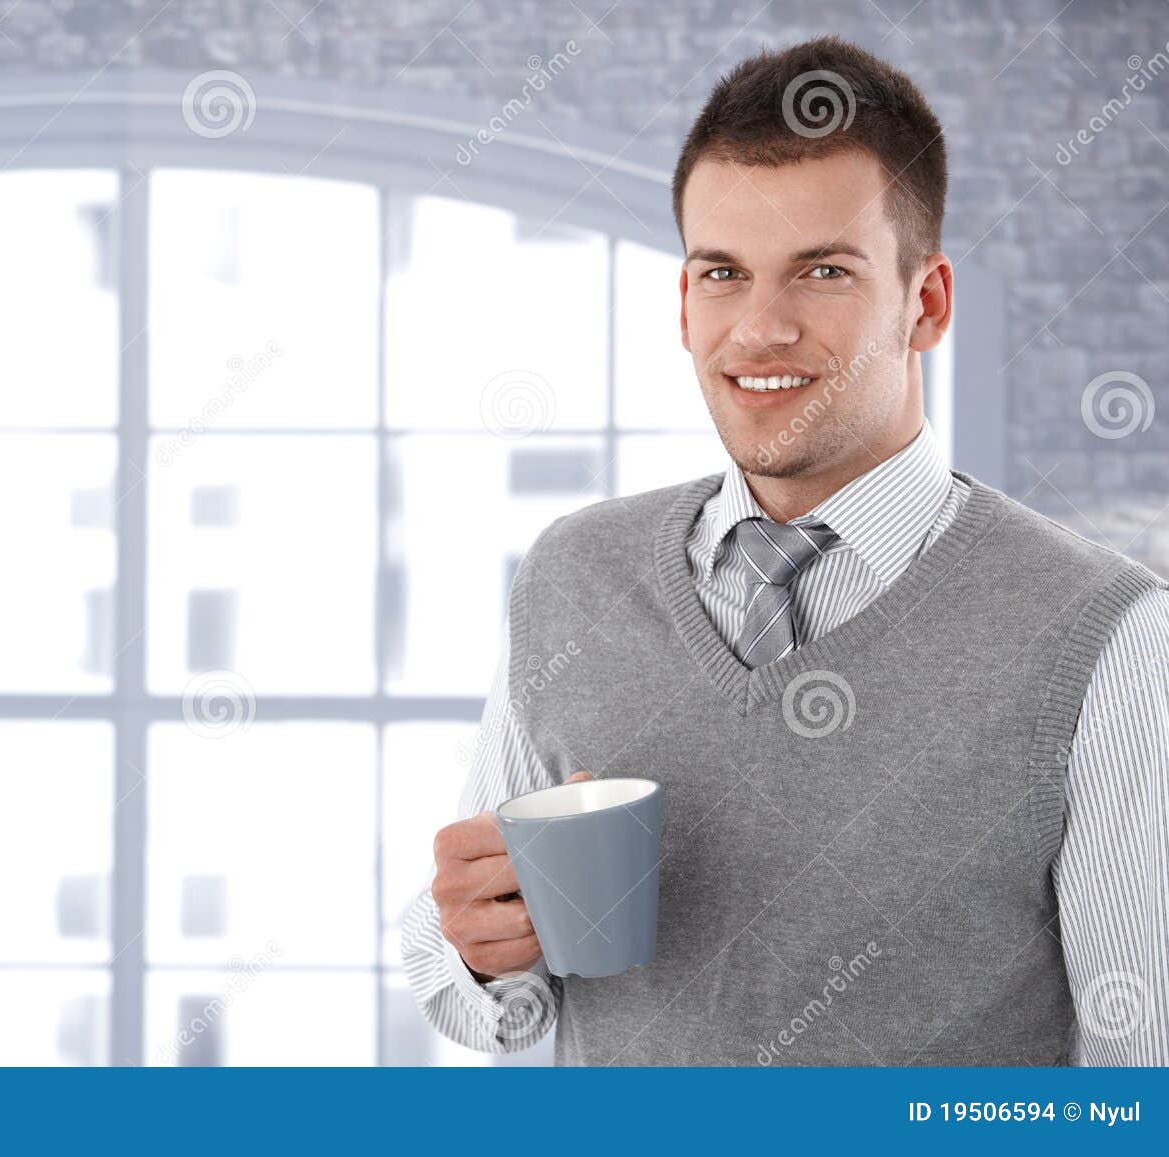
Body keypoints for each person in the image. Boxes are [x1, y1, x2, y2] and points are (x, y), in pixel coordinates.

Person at [401, 34, 1168, 1066]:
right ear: (684, 304)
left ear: (925, 304)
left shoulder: (1109, 637)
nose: (759, 328)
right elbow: (494, 997)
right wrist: (482, 955)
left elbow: (1140, 1067)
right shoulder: (574, 573)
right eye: (722, 272)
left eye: (822, 271)